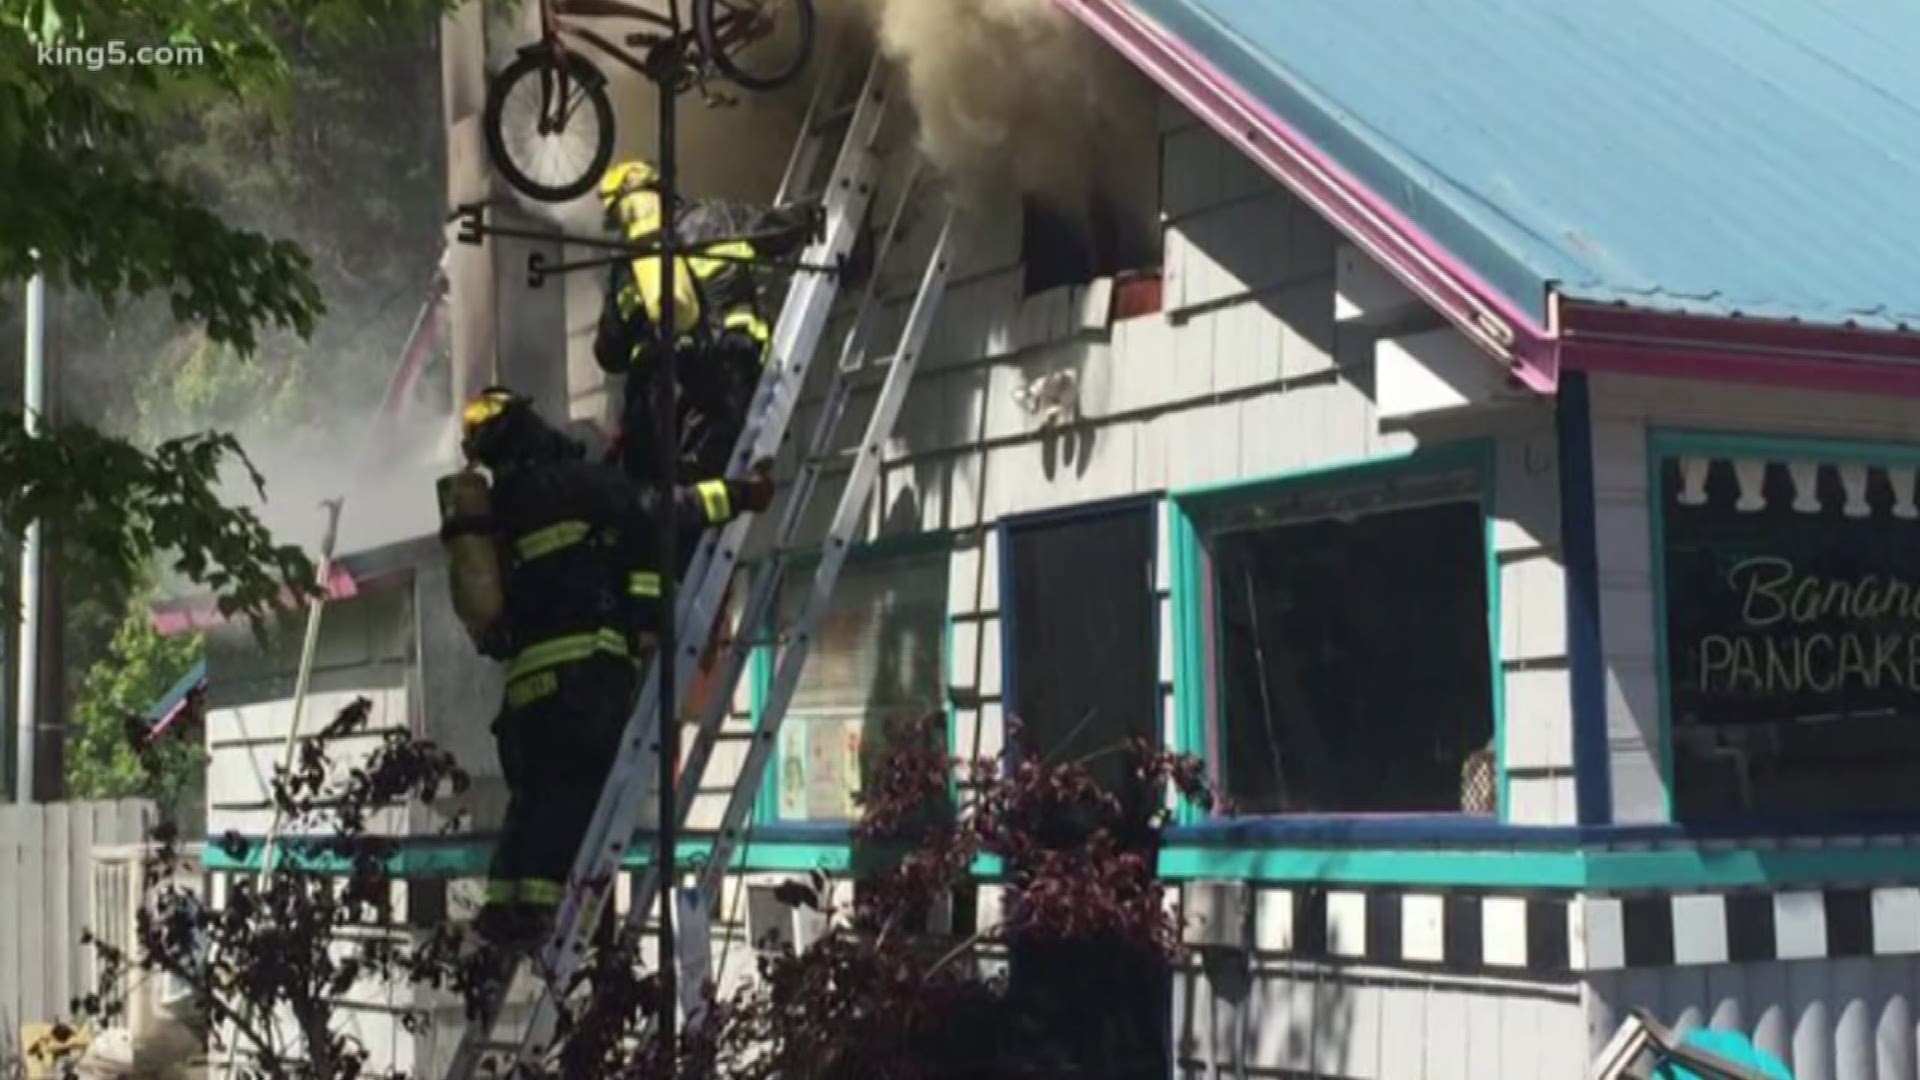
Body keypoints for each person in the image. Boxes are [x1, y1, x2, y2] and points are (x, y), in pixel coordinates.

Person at [452, 387, 774, 948]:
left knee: (531, 801)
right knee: (572, 797)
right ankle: (543, 918)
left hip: (525, 691)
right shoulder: (570, 485)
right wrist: (740, 493)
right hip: (583, 677)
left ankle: (506, 906)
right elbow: (662, 507)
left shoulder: (502, 511)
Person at [592, 159, 822, 484]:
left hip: (653, 394)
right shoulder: (714, 219)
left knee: (663, 499)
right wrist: (815, 213)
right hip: (723, 372)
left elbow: (609, 354)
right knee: (713, 486)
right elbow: (778, 231)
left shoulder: (624, 268)